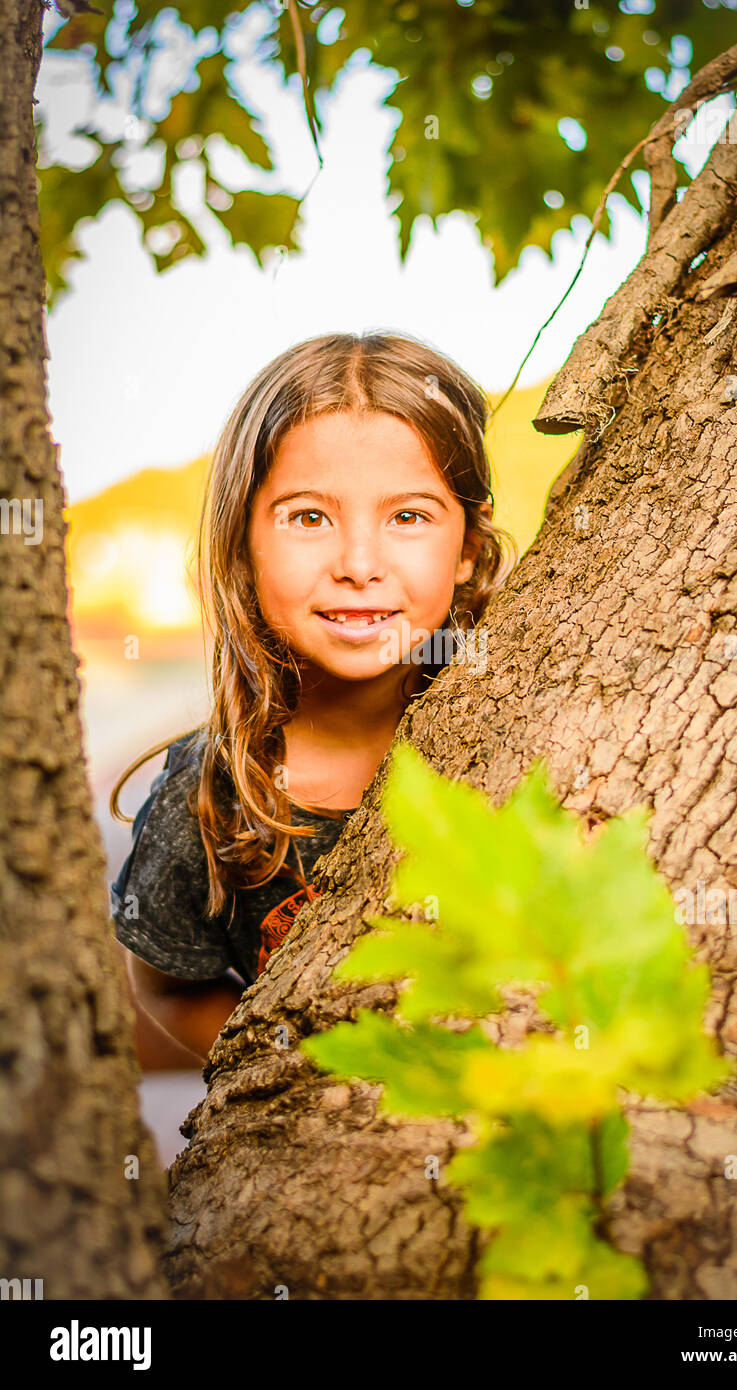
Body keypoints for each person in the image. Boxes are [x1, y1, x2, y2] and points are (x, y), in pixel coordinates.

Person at [108, 330, 517, 1063]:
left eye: (409, 517)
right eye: (309, 517)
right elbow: (174, 986)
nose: (358, 565)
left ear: (467, 551)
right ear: (243, 546)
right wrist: (276, 1075)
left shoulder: (524, 736)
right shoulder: (204, 799)